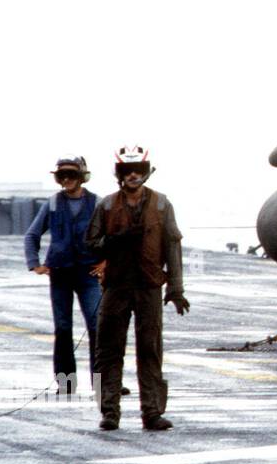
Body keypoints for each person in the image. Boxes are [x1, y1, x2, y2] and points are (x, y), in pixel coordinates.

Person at [86, 146, 187, 431]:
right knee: (107, 349)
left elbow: (172, 247)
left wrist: (176, 288)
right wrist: (114, 241)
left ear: (145, 172)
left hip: (149, 286)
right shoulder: (105, 206)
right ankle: (108, 412)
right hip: (116, 286)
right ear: (119, 174)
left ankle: (152, 412)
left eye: (138, 170)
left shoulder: (162, 204)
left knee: (151, 349)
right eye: (127, 171)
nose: (133, 175)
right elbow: (90, 244)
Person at [24, 157, 101, 394]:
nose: (66, 180)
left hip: (89, 273)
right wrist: (34, 264)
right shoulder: (53, 204)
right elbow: (32, 235)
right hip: (60, 273)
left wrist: (107, 262)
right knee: (63, 327)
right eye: (62, 176)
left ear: (81, 176)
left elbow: (111, 236)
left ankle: (104, 384)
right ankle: (66, 385)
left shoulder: (97, 203)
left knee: (98, 325)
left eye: (71, 175)